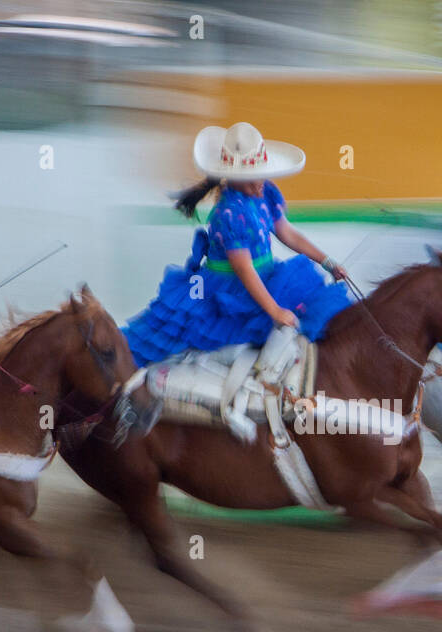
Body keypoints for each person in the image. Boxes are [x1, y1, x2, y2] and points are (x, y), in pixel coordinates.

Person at [122, 121, 353, 434]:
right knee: (162, 340)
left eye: (260, 174)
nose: (258, 183)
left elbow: (285, 232)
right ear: (231, 177)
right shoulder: (228, 213)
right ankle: (247, 394)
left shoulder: (266, 193)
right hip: (229, 289)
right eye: (249, 180)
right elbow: (243, 270)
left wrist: (327, 261)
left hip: (269, 275)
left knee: (318, 311)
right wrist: (274, 311)